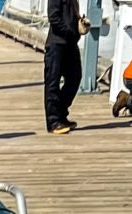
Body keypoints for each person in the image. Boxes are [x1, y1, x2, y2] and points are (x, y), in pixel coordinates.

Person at [44, 0, 88, 135]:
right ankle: (53, 121)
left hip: (70, 43)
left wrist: (80, 23)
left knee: (75, 77)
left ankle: (61, 114)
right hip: (57, 44)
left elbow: (70, 15)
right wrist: (70, 32)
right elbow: (54, 17)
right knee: (53, 82)